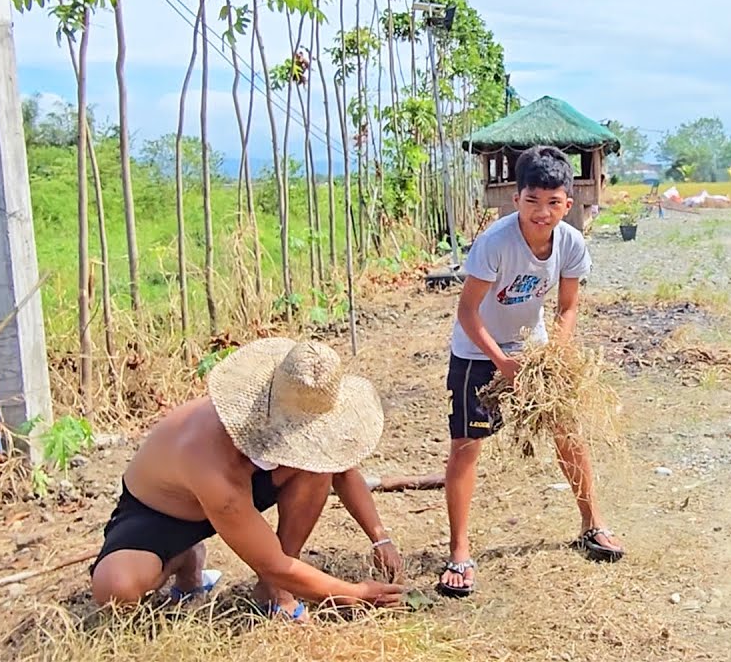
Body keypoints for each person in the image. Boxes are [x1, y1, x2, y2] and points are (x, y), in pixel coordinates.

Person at [89, 338, 406, 618]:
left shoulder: (303, 405)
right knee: (116, 589)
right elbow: (270, 562)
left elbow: (344, 469)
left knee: (318, 468)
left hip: (240, 491)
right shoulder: (210, 457)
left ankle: (274, 591)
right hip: (163, 512)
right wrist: (352, 594)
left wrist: (380, 537)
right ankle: (183, 558)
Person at [437, 145, 625, 598]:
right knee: (467, 445)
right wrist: (502, 363)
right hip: (478, 354)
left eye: (554, 203)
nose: (543, 213)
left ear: (569, 202)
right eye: (532, 201)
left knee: (569, 432)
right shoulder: (495, 244)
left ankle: (591, 524)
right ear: (516, 199)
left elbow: (568, 305)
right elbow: (467, 312)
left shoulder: (571, 243)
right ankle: (459, 551)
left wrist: (552, 356)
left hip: (533, 348)